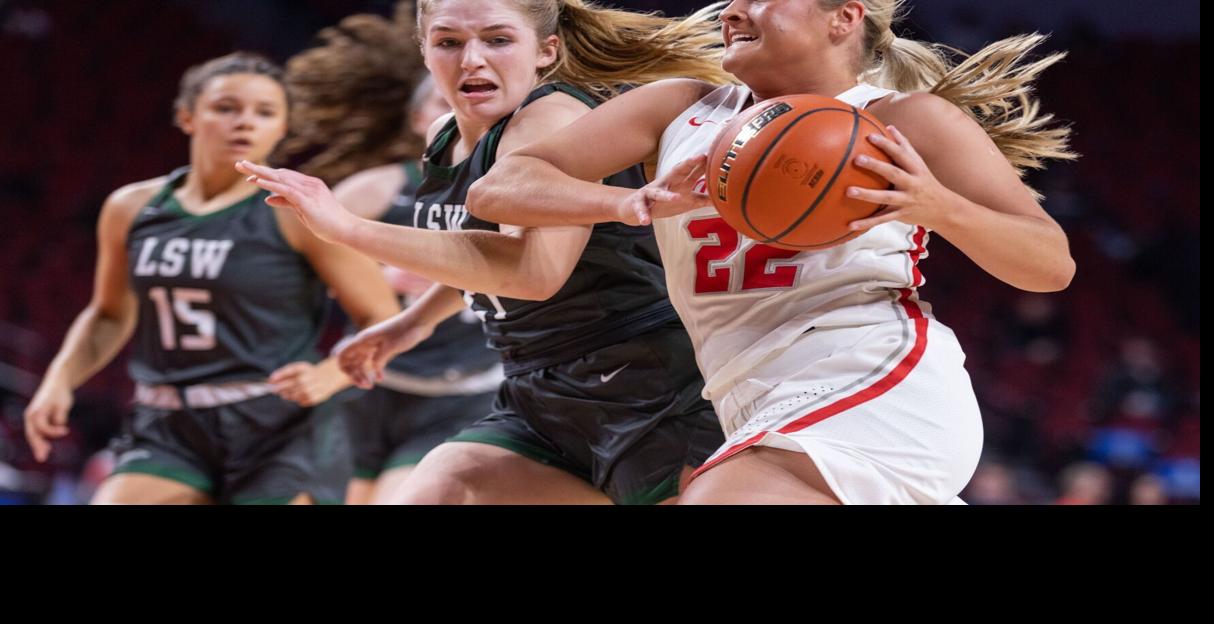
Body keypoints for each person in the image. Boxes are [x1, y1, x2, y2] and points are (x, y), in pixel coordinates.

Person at [466, 0, 1076, 504]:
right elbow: (497, 190)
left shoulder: (904, 119)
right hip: (746, 395)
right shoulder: (680, 107)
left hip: (869, 376)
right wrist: (631, 201)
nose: (731, 12)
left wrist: (938, 207)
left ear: (843, 17)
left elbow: (1050, 264)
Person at [240, 0, 730, 504]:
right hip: (537, 387)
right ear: (425, 52)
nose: (471, 59)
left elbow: (534, 272)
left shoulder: (551, 120)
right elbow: (476, 251)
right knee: (441, 488)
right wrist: (412, 324)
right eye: (449, 42)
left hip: (643, 383)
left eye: (497, 40)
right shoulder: (444, 135)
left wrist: (348, 228)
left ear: (545, 51)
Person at [23, 52, 401, 504]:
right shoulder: (131, 208)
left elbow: (383, 316)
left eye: (265, 112)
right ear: (187, 116)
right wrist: (59, 380)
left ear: (281, 128)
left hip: (278, 424)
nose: (245, 122)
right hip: (169, 421)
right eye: (226, 107)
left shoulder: (298, 212)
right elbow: (108, 314)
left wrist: (331, 375)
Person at [283, 5, 504, 504]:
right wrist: (375, 276)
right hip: (367, 383)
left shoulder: (511, 186)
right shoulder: (376, 189)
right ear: (416, 119)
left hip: (460, 395)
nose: (455, 110)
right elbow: (296, 278)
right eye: (439, 102)